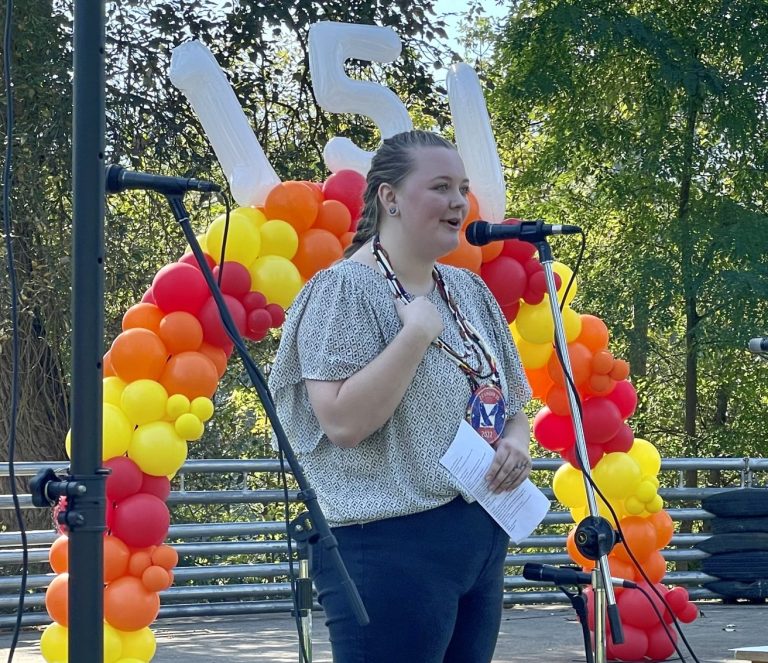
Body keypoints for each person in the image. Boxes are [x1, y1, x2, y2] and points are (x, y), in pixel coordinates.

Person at [268, 130, 533, 663]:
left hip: (478, 533)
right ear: (389, 197)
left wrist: (516, 442)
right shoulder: (343, 289)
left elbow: (511, 402)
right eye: (440, 187)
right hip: (388, 543)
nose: (459, 201)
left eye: (461, 187)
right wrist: (413, 336)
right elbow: (341, 422)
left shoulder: (467, 289)